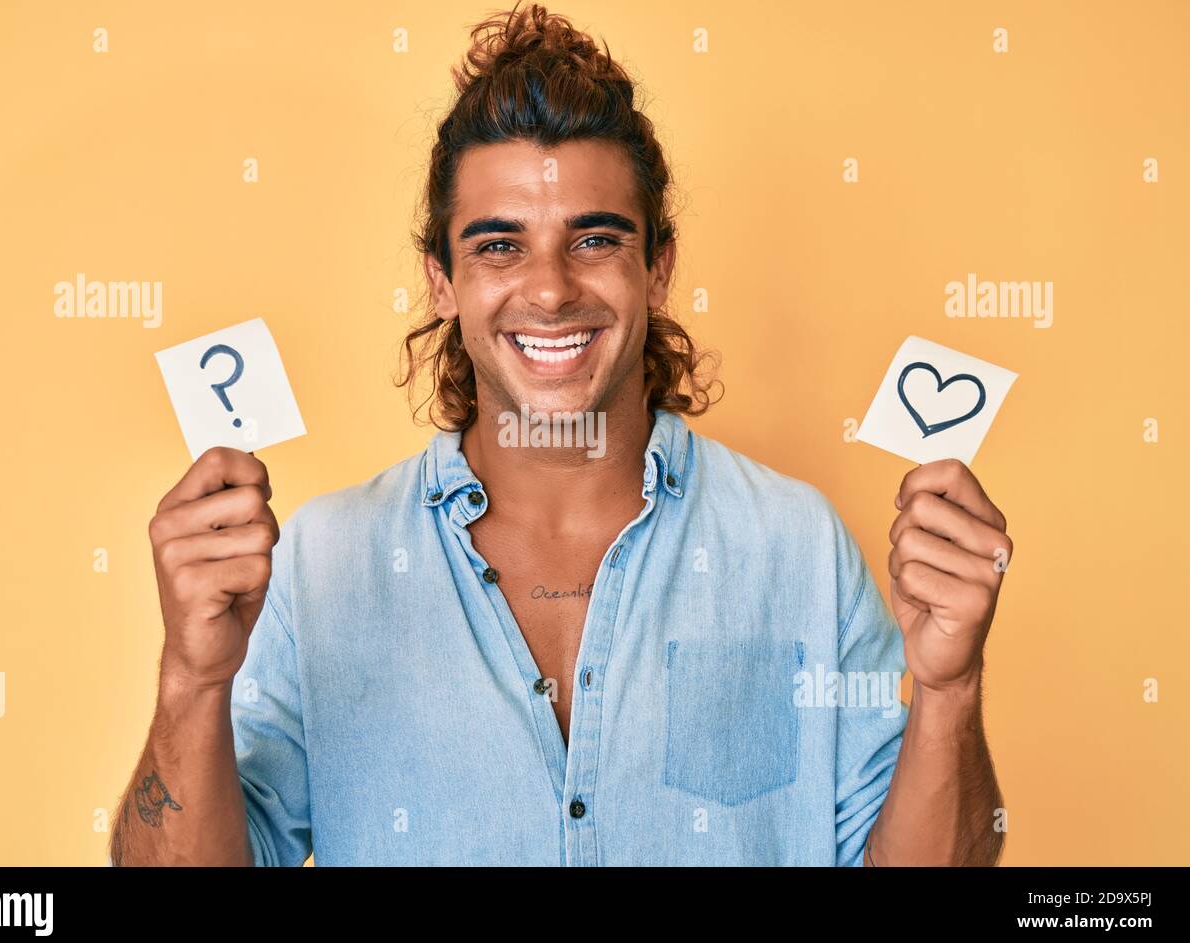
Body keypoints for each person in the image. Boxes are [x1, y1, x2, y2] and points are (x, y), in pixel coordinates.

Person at [110, 2, 1008, 866]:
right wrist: (192, 678)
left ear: (657, 269)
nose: (548, 290)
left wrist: (948, 688)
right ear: (441, 281)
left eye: (594, 240)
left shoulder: (797, 547)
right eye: (499, 245)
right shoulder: (322, 565)